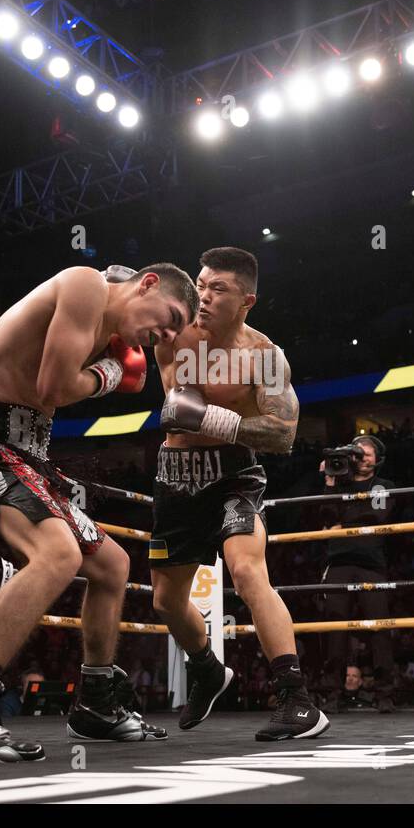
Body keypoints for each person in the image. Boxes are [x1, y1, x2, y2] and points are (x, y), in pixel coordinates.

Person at [0, 262, 198, 764]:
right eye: (170, 318)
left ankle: (97, 705)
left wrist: (110, 361)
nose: (166, 335)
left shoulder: (106, 330)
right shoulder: (86, 284)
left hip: (31, 457)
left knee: (112, 566)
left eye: (175, 332)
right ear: (147, 283)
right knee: (56, 555)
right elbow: (53, 388)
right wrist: (109, 375)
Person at [150, 247, 329, 741]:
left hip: (234, 474)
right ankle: (208, 669)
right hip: (175, 473)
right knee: (165, 602)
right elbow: (123, 308)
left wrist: (215, 419)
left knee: (248, 570)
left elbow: (283, 433)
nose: (203, 296)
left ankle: (298, 700)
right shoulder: (173, 327)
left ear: (247, 299)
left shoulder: (264, 356)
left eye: (218, 289)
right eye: (201, 284)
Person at [316, 434, 397, 711]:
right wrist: (329, 480)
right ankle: (333, 694)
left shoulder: (383, 486)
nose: (362, 456)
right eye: (357, 452)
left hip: (371, 564)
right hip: (338, 562)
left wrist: (342, 523)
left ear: (377, 459)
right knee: (335, 628)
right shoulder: (339, 484)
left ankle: (384, 693)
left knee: (379, 627)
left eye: (367, 453)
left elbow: (377, 516)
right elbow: (327, 516)